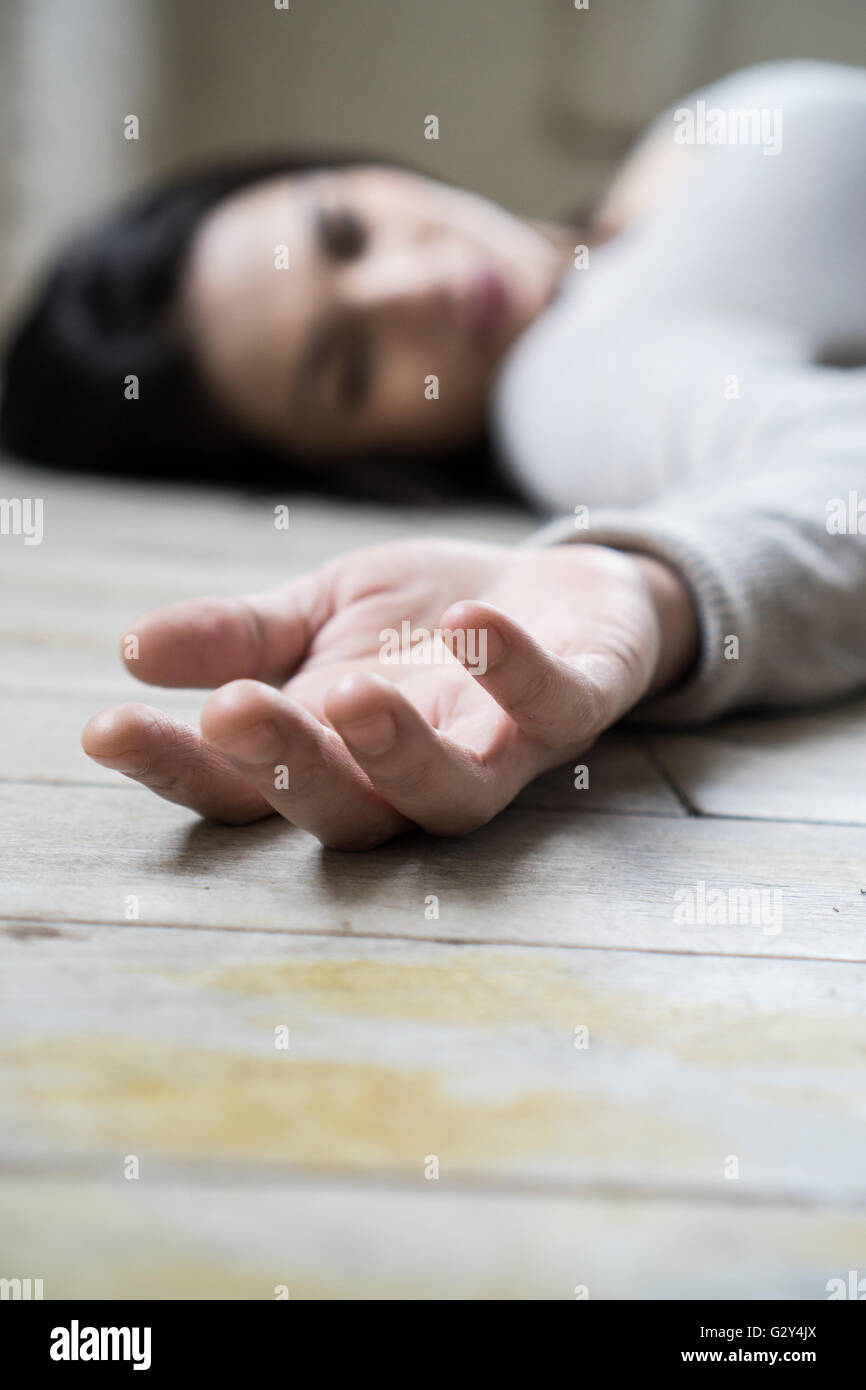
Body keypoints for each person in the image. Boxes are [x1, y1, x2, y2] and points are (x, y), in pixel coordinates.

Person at [6, 61, 866, 848]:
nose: (415, 291)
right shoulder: (564, 388)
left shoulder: (626, 233)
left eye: (347, 230)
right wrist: (658, 589)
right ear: (357, 463)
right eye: (348, 369)